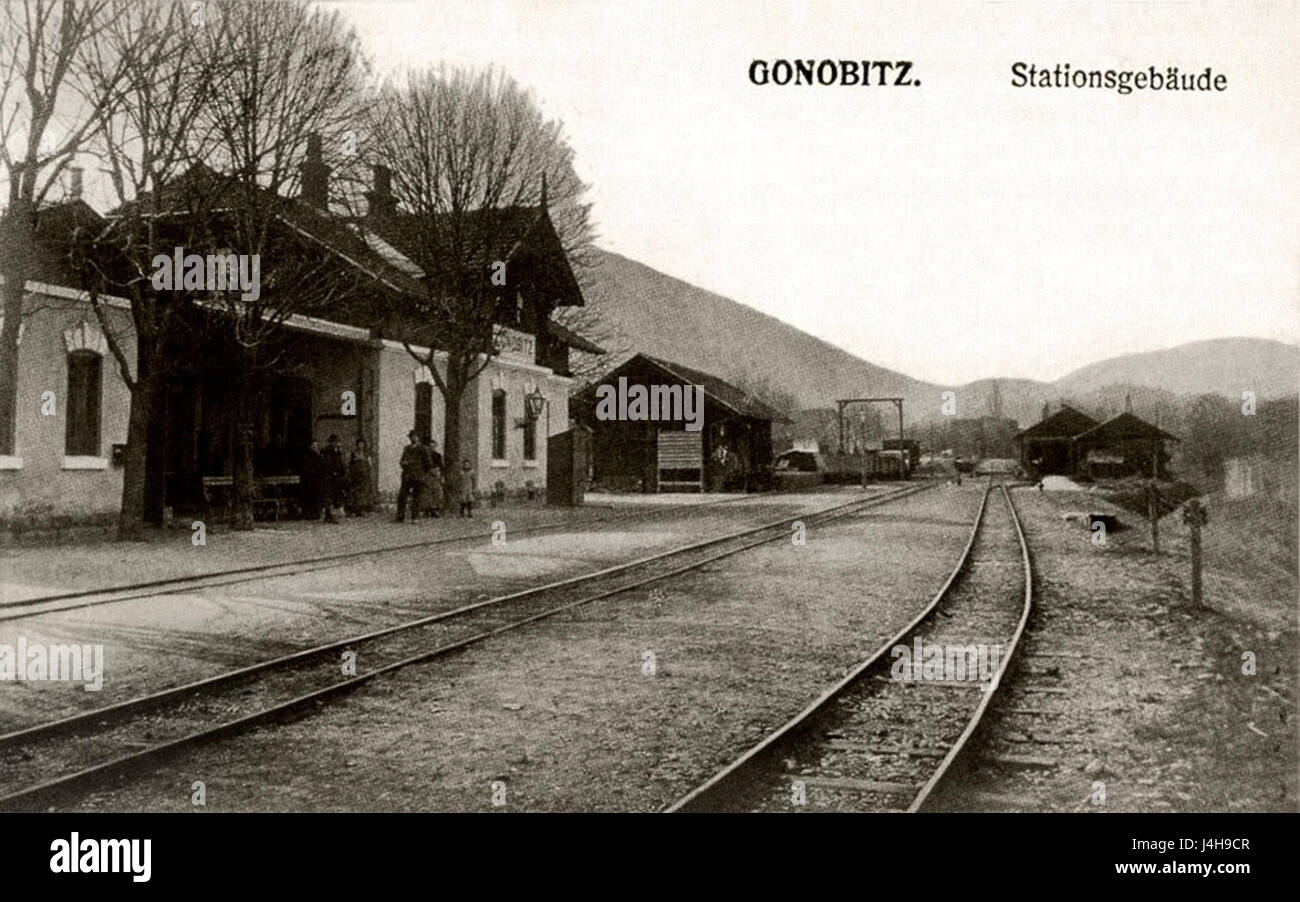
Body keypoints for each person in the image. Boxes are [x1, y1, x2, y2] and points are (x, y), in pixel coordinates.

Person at [394, 430, 426, 523]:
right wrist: (404, 463)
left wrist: (421, 472)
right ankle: (400, 516)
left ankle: (415, 517)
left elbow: (428, 462)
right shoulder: (406, 448)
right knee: (402, 496)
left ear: (418, 437)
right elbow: (402, 460)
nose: (413, 438)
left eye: (415, 436)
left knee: (416, 496)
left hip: (418, 476)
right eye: (411, 437)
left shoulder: (422, 449)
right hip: (407, 475)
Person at [320, 434, 347, 523]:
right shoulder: (327, 452)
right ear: (331, 442)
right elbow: (328, 464)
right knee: (329, 497)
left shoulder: (337, 452)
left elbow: (340, 463)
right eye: (335, 442)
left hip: (336, 477)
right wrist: (333, 472)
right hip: (329, 477)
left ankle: (331, 515)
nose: (336, 443)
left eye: (337, 442)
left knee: (335, 496)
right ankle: (329, 516)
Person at [349, 437, 375, 515]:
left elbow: (370, 465)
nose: (361, 446)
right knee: (355, 492)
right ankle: (354, 509)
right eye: (359, 444)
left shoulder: (367, 454)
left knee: (363, 493)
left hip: (364, 475)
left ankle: (361, 509)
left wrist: (370, 473)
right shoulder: (354, 453)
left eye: (362, 444)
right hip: (356, 475)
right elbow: (351, 464)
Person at [300, 440, 323, 521]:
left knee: (316, 497)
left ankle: (316, 513)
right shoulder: (307, 456)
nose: (315, 447)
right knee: (310, 497)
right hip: (310, 480)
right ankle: (309, 513)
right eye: (313, 446)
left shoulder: (318, 455)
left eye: (316, 446)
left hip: (317, 479)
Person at [421, 437, 444, 518]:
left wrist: (439, 473)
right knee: (427, 492)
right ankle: (426, 510)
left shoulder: (438, 455)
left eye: (433, 446)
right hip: (427, 475)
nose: (432, 448)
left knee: (437, 492)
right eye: (430, 447)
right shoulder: (424, 456)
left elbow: (441, 465)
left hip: (436, 474)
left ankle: (435, 510)